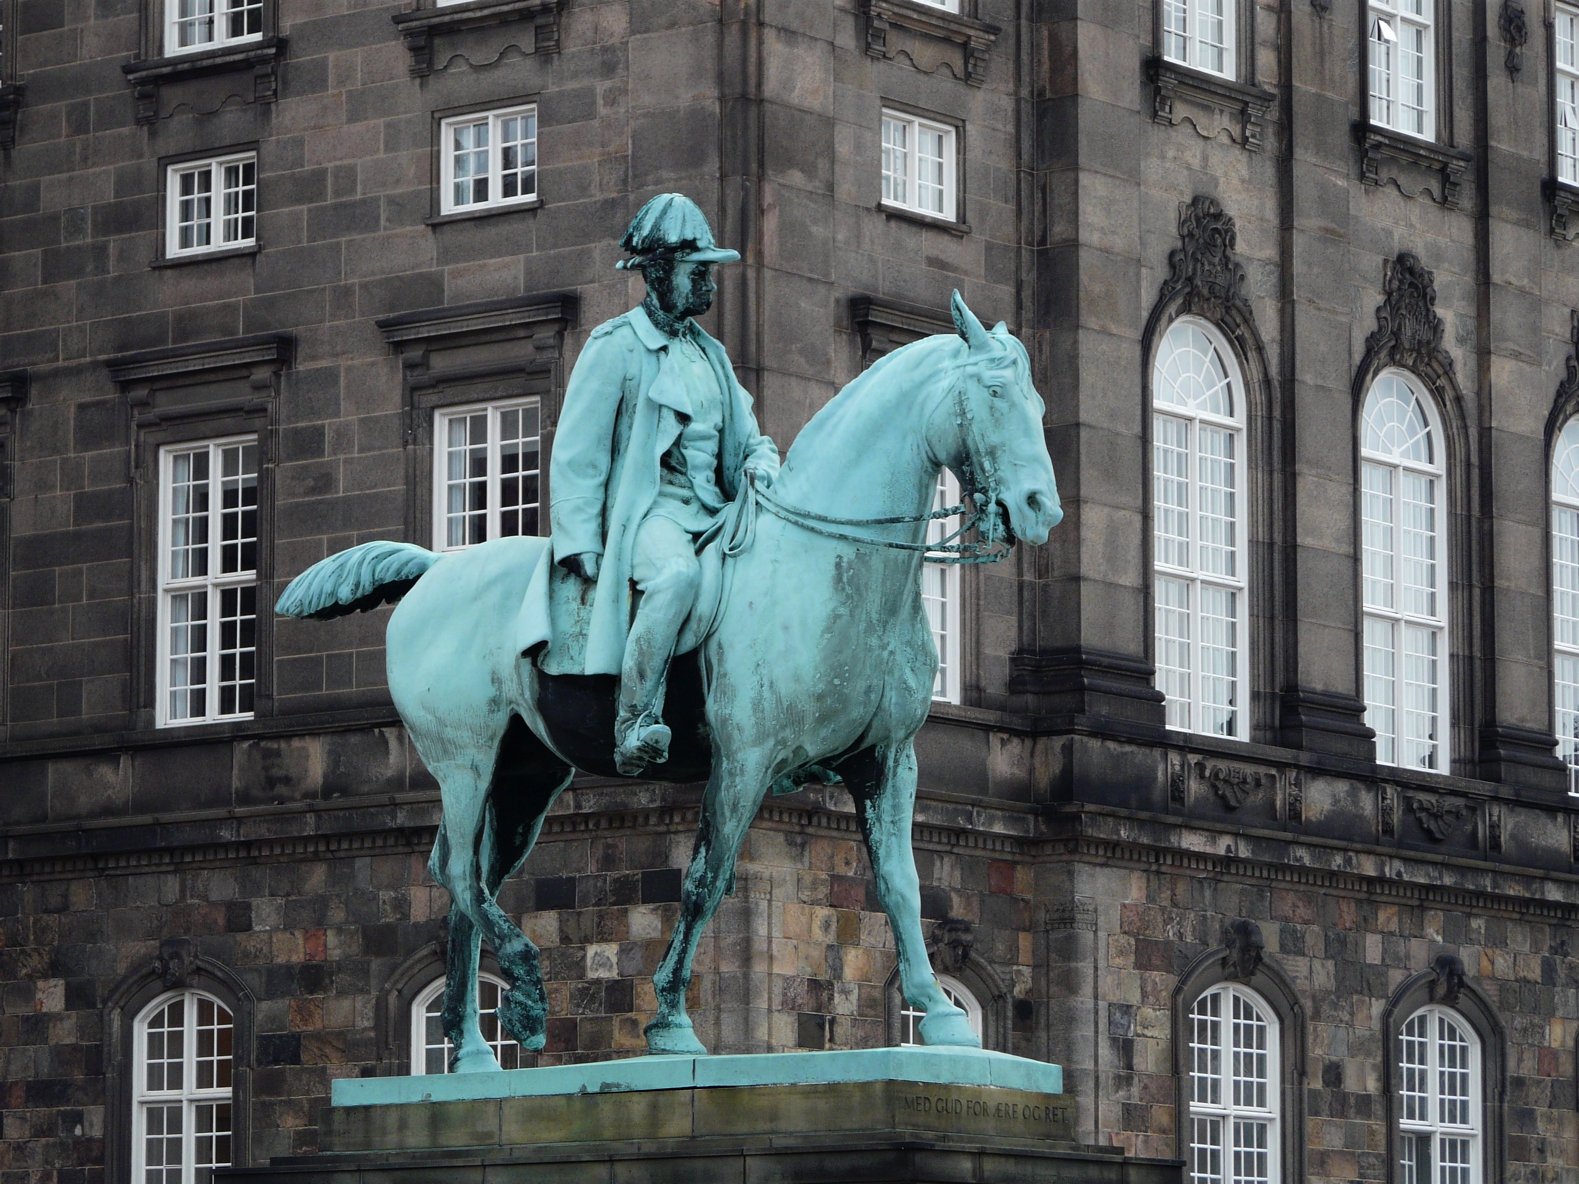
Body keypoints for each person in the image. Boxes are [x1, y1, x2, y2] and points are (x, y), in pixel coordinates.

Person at [543, 194, 780, 775]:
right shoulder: (616, 347)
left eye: (711, 273)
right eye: (699, 272)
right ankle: (634, 722)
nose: (711, 286)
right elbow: (578, 453)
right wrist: (580, 542)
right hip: (652, 514)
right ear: (658, 272)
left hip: (717, 512)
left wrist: (761, 468)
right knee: (675, 579)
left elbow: (751, 439)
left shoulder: (712, 355)